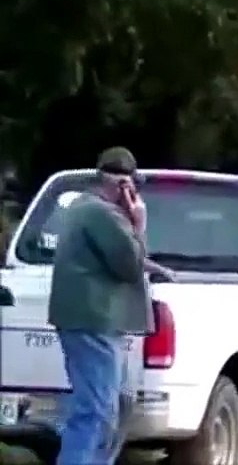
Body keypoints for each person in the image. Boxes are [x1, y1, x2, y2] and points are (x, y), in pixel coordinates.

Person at [47, 147, 173, 464]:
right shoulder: (103, 213)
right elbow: (128, 263)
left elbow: (112, 257)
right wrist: (139, 222)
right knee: (96, 411)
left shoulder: (83, 207)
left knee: (118, 403)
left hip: (97, 321)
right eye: (131, 186)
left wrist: (152, 266)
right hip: (96, 321)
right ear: (122, 185)